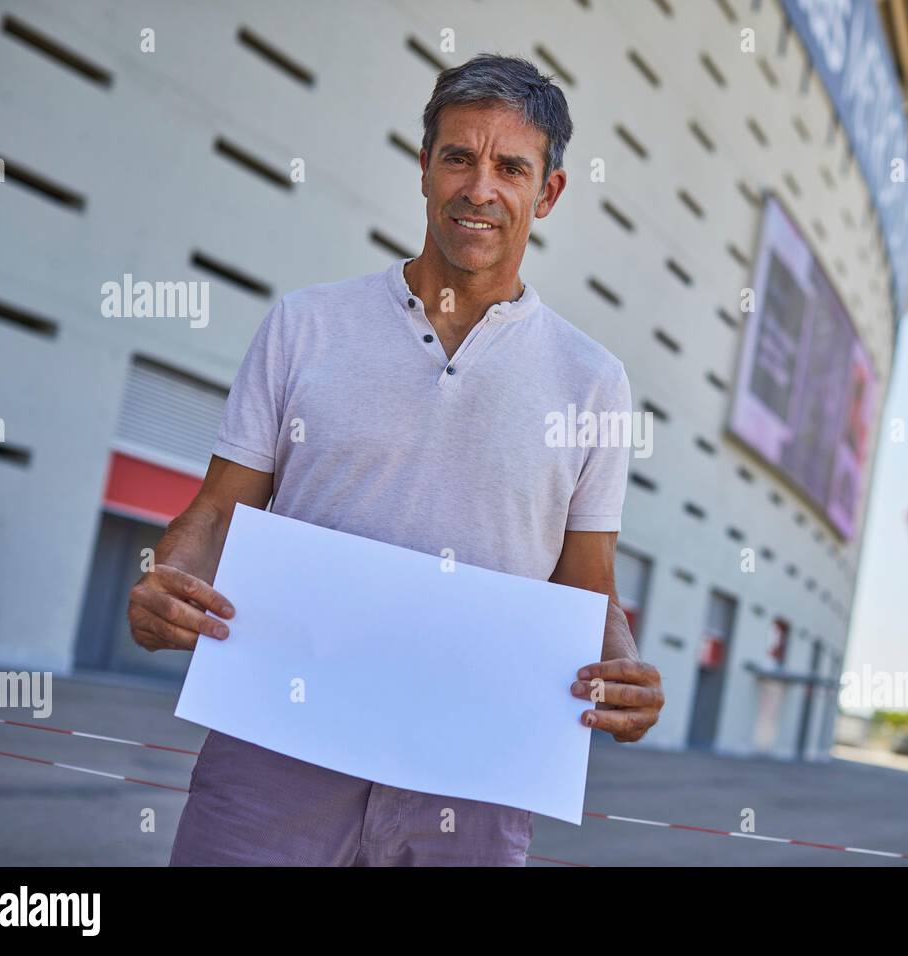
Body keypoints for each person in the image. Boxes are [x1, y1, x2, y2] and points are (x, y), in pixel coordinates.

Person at [127, 53, 664, 866]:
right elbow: (215, 514)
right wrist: (166, 582)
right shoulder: (306, 326)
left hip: (475, 772)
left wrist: (622, 670)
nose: (479, 188)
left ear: (547, 193)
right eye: (458, 157)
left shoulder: (593, 381)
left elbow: (587, 586)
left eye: (511, 167)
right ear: (423, 169)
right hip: (278, 746)